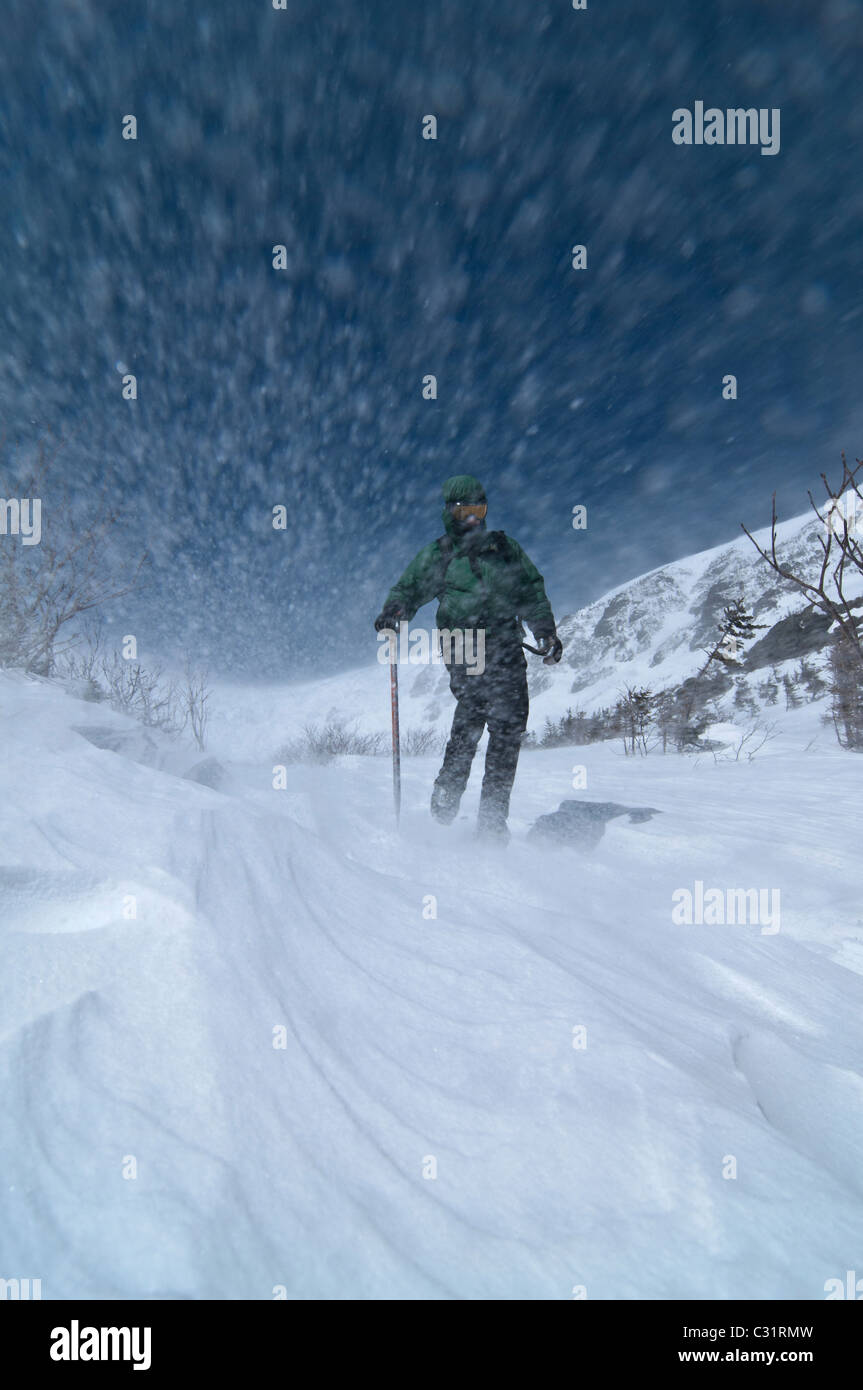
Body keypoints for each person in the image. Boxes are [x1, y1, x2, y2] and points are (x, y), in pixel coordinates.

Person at [374, 474, 562, 841]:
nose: (473, 519)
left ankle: (493, 818)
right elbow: (409, 589)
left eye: (479, 510)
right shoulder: (440, 554)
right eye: (465, 512)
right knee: (474, 713)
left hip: (506, 642)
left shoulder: (506, 549)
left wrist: (545, 629)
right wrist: (394, 612)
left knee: (508, 728)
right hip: (464, 642)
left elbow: (531, 590)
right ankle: (448, 788)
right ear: (450, 513)